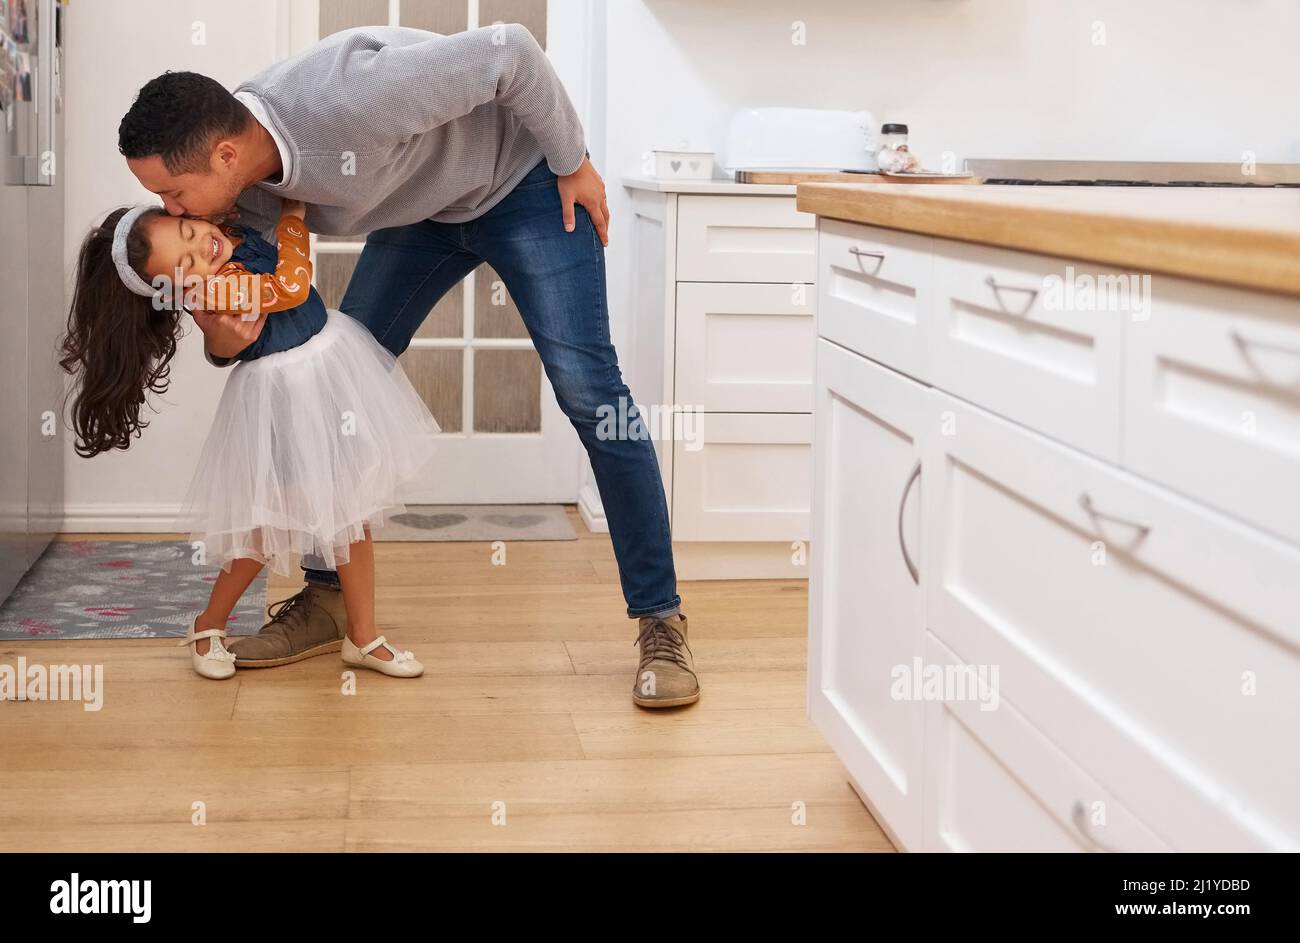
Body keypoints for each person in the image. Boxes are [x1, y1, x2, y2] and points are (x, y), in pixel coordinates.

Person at [118, 23, 700, 707]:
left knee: (589, 389)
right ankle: (330, 600)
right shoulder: (239, 191)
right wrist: (222, 339)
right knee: (335, 381)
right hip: (424, 215)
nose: (170, 211)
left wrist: (572, 160)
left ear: (222, 154)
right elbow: (264, 336)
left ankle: (659, 617)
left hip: (525, 189)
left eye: (176, 195)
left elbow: (510, 50)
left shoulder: (351, 99)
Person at [59, 199, 437, 680]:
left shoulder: (227, 232)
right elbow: (292, 287)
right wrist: (294, 222)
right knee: (264, 528)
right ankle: (208, 624)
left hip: (329, 370)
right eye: (186, 265)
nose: (202, 248)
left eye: (188, 231)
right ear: (178, 290)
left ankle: (362, 637)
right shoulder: (222, 288)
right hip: (284, 397)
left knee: (353, 514)